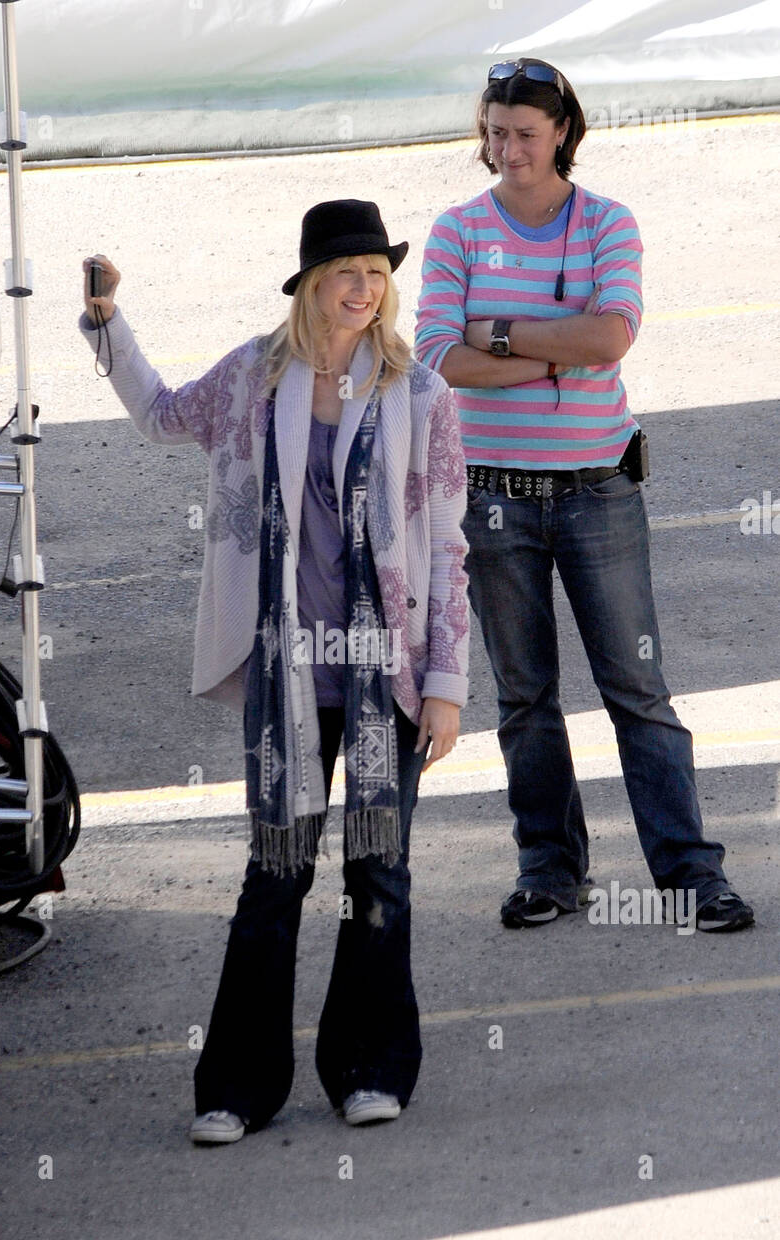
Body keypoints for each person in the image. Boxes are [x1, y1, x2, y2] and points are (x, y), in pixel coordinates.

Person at [79, 199, 469, 1142]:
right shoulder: (257, 378)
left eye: (378, 273)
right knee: (276, 876)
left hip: (389, 681)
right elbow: (162, 413)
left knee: (380, 875)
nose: (364, 290)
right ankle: (239, 1087)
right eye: (346, 273)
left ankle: (370, 1068)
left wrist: (450, 684)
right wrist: (106, 325)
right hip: (288, 677)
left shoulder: (421, 394)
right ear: (307, 286)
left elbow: (449, 547)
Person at [415, 57, 753, 934]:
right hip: (489, 497)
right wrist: (553, 352)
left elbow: (612, 336)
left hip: (600, 490)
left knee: (637, 687)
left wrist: (505, 338)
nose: (506, 149)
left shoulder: (608, 222)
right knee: (524, 696)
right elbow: (441, 358)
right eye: (494, 132)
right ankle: (549, 868)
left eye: (524, 133)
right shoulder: (455, 232)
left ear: (563, 130)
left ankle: (688, 874)